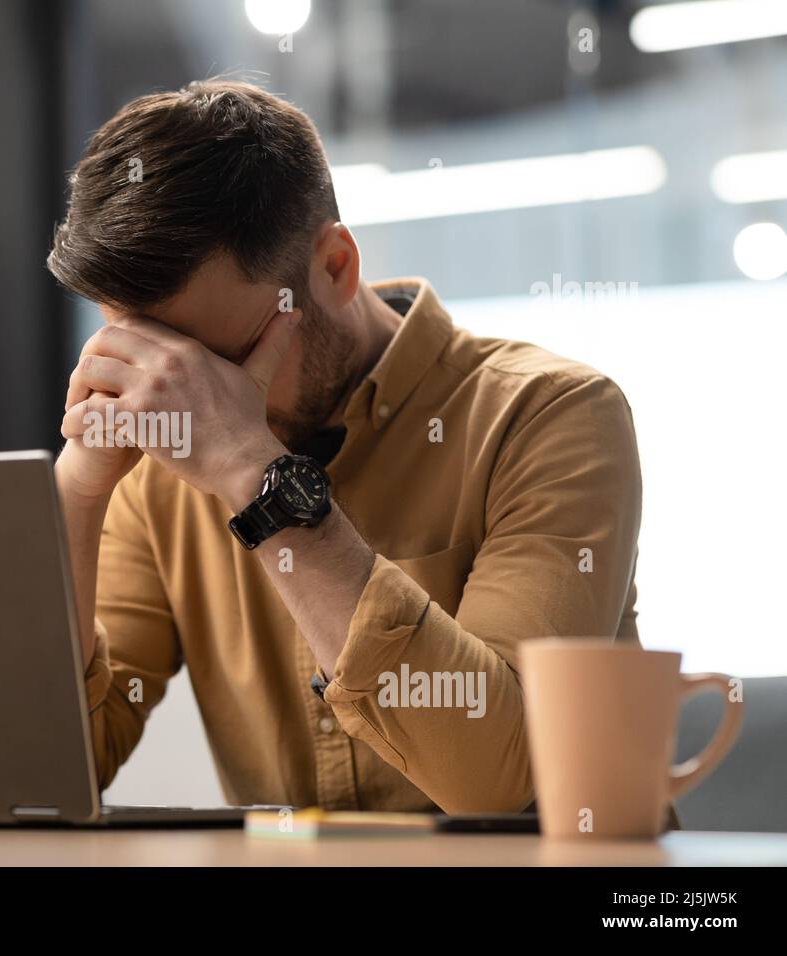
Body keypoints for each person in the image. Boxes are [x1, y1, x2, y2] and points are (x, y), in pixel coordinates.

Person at [47, 79, 641, 813]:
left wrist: (254, 475)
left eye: (212, 361)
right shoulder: (159, 467)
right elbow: (51, 775)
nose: (178, 394)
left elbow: (492, 778)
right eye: (144, 350)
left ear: (334, 268)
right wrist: (76, 495)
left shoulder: (551, 415)